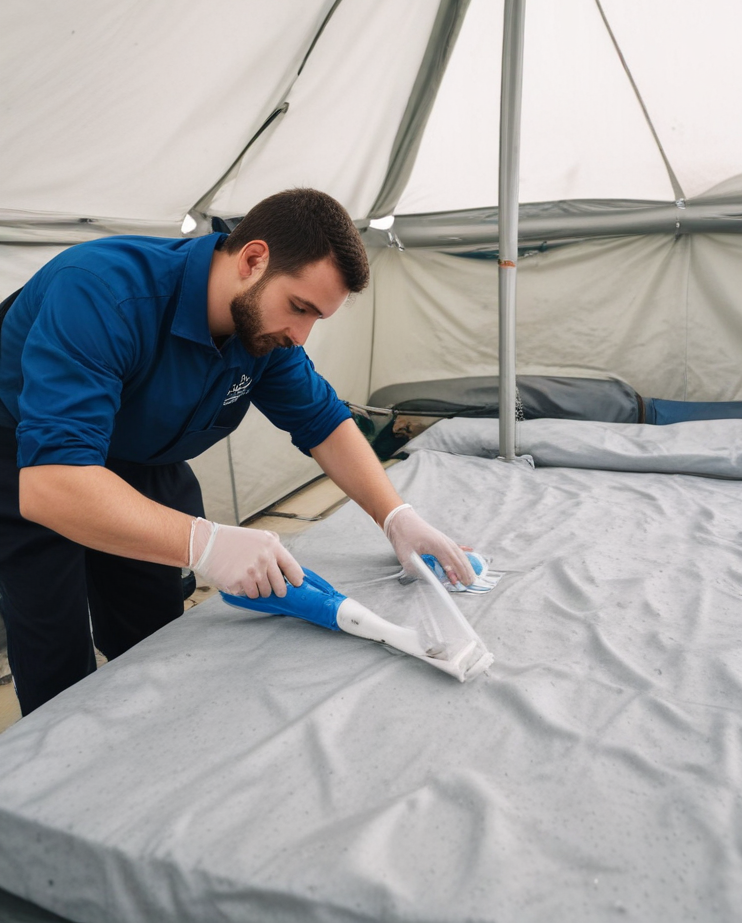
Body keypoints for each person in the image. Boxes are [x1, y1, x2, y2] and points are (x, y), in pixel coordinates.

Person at [0, 188, 474, 716]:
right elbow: (53, 484)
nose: (300, 334)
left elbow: (323, 423)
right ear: (253, 259)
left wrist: (396, 515)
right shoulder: (100, 291)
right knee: (53, 643)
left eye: (317, 318)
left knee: (153, 631)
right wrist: (205, 544)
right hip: (27, 454)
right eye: (299, 308)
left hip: (141, 456)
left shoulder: (266, 337)